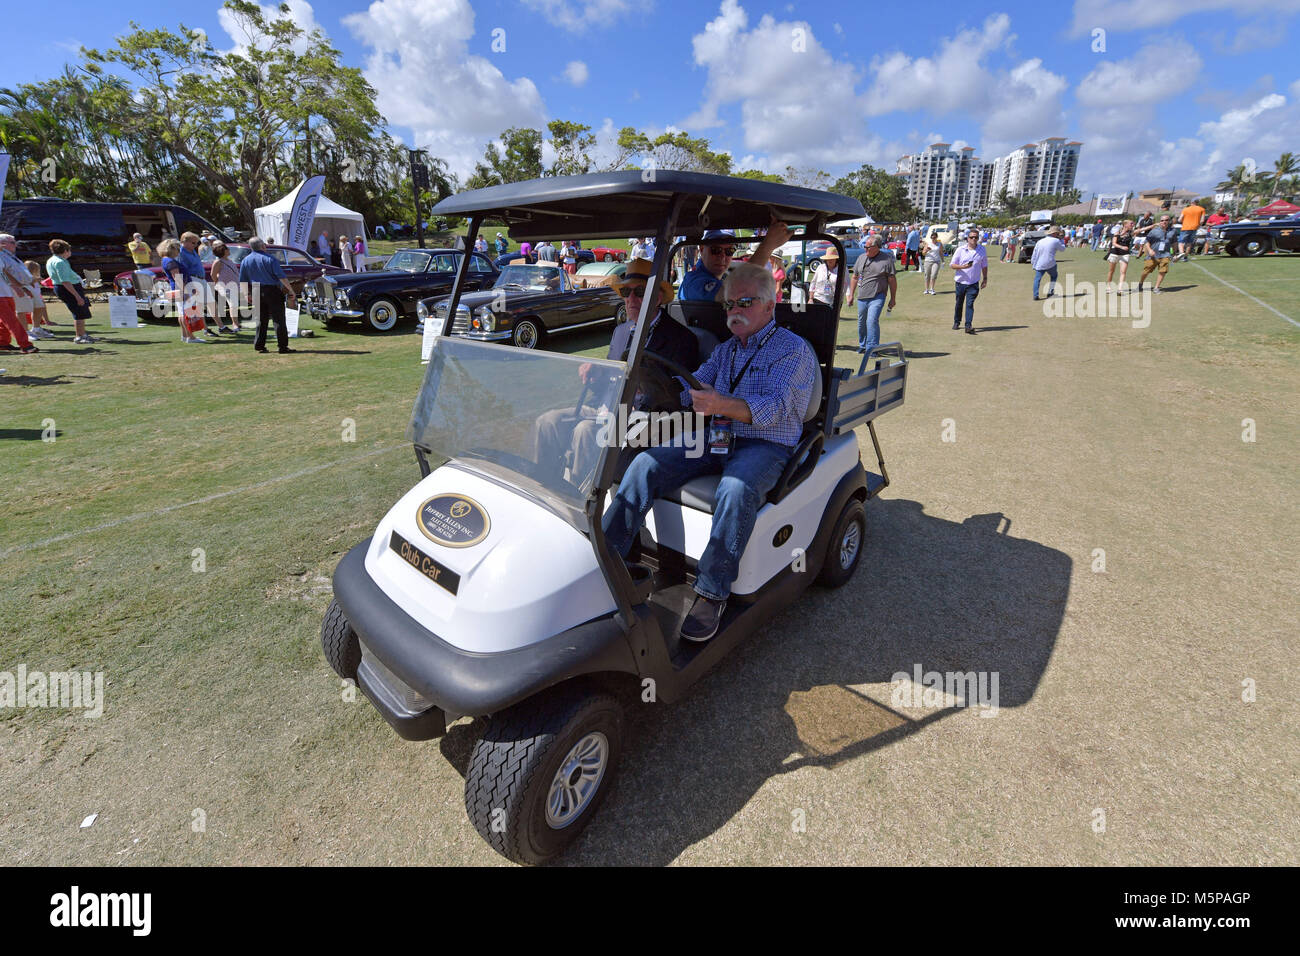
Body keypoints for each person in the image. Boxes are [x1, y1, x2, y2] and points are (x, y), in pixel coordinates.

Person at [601, 262, 818, 641]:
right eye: (730, 304)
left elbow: (779, 408)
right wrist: (656, 387)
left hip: (767, 444)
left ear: (770, 305)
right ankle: (607, 557)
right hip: (718, 435)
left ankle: (711, 592)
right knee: (644, 464)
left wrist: (720, 403)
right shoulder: (727, 351)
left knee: (734, 490)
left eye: (744, 302)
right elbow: (693, 387)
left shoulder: (793, 350)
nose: (734, 311)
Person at [533, 259, 698, 485]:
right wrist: (598, 373)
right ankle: (544, 487)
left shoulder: (681, 338)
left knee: (585, 431)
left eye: (640, 292)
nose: (631, 299)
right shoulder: (620, 332)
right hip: (609, 407)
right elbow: (610, 379)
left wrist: (638, 393)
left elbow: (676, 396)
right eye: (626, 292)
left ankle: (580, 500)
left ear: (657, 298)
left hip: (650, 417)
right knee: (548, 421)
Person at [679, 224, 791, 302]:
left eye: (729, 251)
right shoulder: (694, 281)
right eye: (716, 250)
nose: (723, 257)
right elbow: (725, 294)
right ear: (702, 249)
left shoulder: (721, 279)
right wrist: (768, 245)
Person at [239, 237, 299, 354]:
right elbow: (281, 277)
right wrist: (291, 290)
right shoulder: (270, 259)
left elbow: (243, 280)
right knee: (279, 319)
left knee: (261, 319)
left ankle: (259, 345)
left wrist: (246, 294)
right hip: (272, 290)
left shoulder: (245, 260)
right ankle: (282, 346)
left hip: (256, 290)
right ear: (263, 246)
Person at [847, 234, 896, 355]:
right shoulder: (861, 257)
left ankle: (872, 348)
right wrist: (851, 294)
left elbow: (892, 280)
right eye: (864, 246)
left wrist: (893, 298)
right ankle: (863, 346)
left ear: (876, 247)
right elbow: (854, 277)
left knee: (872, 321)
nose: (865, 249)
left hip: (878, 296)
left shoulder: (886, 260)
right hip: (862, 296)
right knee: (861, 322)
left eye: (867, 247)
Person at [46, 239, 95, 344]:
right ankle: (79, 337)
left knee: (81, 311)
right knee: (78, 312)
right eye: (69, 250)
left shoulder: (55, 260)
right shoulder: (60, 262)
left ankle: (83, 334)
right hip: (67, 288)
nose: (70, 252)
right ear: (65, 250)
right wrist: (77, 296)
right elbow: (65, 281)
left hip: (68, 287)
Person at [0, 238, 39, 354]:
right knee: (11, 320)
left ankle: (3, 342)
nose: (15, 245)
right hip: (2, 294)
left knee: (6, 319)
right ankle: (25, 345)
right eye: (11, 242)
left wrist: (17, 287)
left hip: (5, 292)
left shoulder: (3, 256)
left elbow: (4, 274)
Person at [948, 228, 988, 334]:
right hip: (960, 282)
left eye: (976, 237)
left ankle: (968, 325)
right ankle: (957, 321)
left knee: (970, 304)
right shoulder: (960, 250)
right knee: (959, 303)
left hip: (974, 283)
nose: (974, 239)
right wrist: (963, 267)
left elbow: (984, 265)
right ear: (967, 238)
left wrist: (985, 279)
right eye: (971, 237)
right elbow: (952, 265)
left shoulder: (982, 250)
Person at [1136, 214, 1175, 294]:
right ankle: (1140, 283)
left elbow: (1174, 243)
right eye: (1162, 220)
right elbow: (1147, 241)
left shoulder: (1172, 231)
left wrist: (1174, 253)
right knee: (1146, 270)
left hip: (1165, 254)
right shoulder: (1154, 231)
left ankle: (1156, 288)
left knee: (1163, 271)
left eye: (1166, 220)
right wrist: (1149, 250)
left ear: (1169, 221)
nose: (1164, 222)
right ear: (1160, 222)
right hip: (1153, 254)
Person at [208, 240, 243, 333]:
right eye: (227, 249)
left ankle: (236, 323)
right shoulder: (218, 262)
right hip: (226, 286)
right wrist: (217, 282)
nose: (229, 250)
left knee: (235, 304)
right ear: (222, 251)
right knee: (233, 305)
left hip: (234, 285)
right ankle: (235, 324)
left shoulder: (228, 260)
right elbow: (213, 274)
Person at [1031, 227, 1066, 300]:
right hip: (1050, 263)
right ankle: (1050, 292)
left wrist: (1033, 263)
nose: (1058, 235)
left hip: (1040, 263)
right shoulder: (1056, 240)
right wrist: (1062, 240)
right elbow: (1062, 249)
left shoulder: (1040, 241)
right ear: (1054, 234)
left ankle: (1035, 295)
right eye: (1057, 234)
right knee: (1054, 276)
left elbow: (1034, 253)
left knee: (1037, 279)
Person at [1105, 220, 1136, 291]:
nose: (1132, 225)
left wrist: (1153, 225)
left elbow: (1142, 229)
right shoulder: (1117, 233)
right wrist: (1122, 247)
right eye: (1131, 223)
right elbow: (1114, 243)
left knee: (1123, 272)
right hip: (1114, 253)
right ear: (1125, 225)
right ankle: (1108, 286)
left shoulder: (1131, 233)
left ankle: (1120, 288)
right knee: (1111, 271)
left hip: (1125, 254)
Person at [921, 231, 943, 295]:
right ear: (931, 238)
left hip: (936, 261)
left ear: (936, 237)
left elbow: (941, 252)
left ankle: (932, 289)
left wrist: (943, 261)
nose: (933, 239)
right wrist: (927, 250)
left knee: (933, 275)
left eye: (935, 237)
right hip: (928, 261)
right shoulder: (928, 244)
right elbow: (923, 253)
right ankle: (926, 289)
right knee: (927, 276)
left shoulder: (939, 244)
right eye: (932, 237)